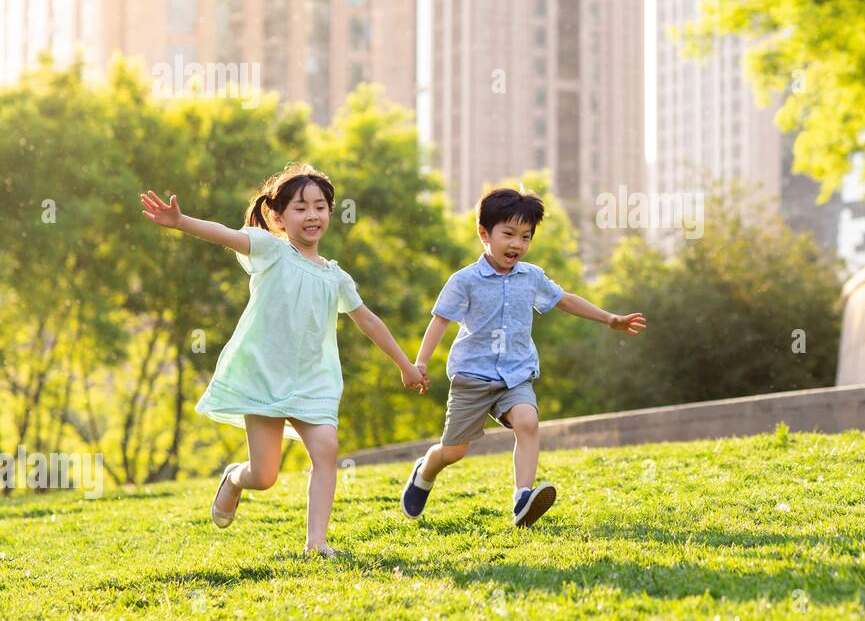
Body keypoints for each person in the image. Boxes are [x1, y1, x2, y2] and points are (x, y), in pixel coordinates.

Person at [140, 164, 427, 556]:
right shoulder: (271, 250)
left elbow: (367, 320)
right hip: (264, 376)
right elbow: (225, 234)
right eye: (300, 207)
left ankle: (316, 543)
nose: (312, 215)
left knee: (327, 450)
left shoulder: (336, 277)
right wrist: (180, 221)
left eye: (321, 207)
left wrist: (405, 365)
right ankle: (234, 479)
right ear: (278, 216)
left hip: (314, 381)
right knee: (264, 475)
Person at [402, 186, 645, 527]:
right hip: (472, 376)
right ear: (484, 233)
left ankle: (522, 499)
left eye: (526, 236)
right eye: (509, 234)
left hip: (515, 373)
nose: (517, 244)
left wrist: (609, 318)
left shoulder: (531, 277)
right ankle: (425, 472)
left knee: (528, 423)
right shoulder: (465, 281)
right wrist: (421, 363)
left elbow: (565, 299)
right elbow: (440, 320)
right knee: (454, 452)